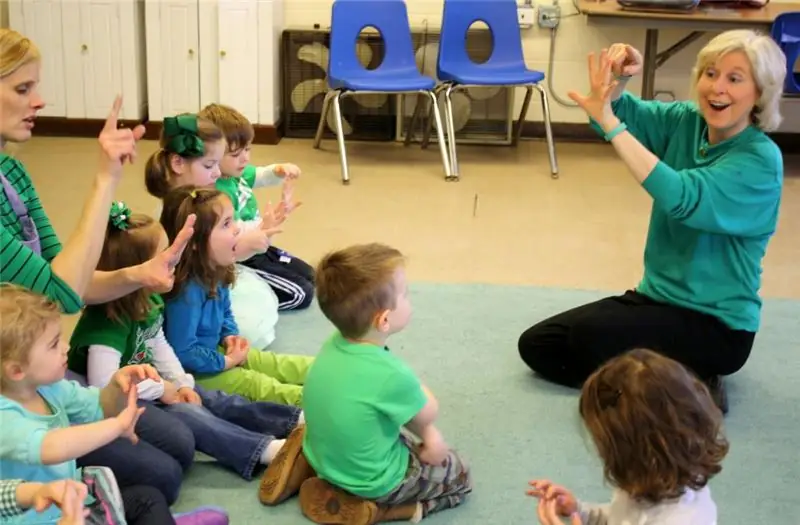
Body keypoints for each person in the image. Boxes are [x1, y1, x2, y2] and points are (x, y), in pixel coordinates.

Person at [517, 29, 787, 414]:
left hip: (716, 325)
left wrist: (612, 125)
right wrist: (620, 80)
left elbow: (680, 196)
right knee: (539, 345)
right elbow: (623, 116)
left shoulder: (760, 161)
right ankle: (671, 382)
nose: (717, 88)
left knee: (591, 338)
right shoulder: (686, 121)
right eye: (710, 73)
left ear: (760, 92)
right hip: (656, 299)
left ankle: (689, 379)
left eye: (734, 78)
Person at [0, 28, 198, 504]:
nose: (40, 101)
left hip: (34, 362)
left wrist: (136, 275)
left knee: (179, 446)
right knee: (162, 477)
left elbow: (62, 275)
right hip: (13, 378)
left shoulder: (13, 173)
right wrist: (104, 179)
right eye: (23, 89)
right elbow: (63, 294)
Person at [67, 203, 305, 482]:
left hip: (151, 385)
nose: (175, 261)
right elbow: (105, 387)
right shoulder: (107, 321)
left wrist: (181, 383)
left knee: (217, 400)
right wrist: (163, 389)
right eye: (165, 256)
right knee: (194, 418)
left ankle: (294, 421)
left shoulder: (148, 297)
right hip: (118, 403)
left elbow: (159, 343)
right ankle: (267, 451)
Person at [259, 243, 472, 524]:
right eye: (405, 295)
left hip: (325, 457)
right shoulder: (390, 374)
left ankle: (310, 465)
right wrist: (433, 439)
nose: (410, 300)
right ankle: (388, 510)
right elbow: (429, 411)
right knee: (461, 475)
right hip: (376, 482)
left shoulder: (333, 344)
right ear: (384, 320)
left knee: (377, 420)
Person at [0, 284, 229, 525]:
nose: (66, 347)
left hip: (72, 502)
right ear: (16, 370)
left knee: (147, 498)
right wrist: (117, 426)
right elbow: (51, 447)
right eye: (54, 344)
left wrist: (119, 388)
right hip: (44, 520)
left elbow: (100, 406)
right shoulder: (5, 417)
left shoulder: (49, 389)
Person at [144, 113, 296, 349]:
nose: (217, 173)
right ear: (177, 164)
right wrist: (243, 245)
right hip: (189, 298)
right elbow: (192, 270)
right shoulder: (176, 215)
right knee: (247, 326)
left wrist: (257, 231)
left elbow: (225, 245)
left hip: (212, 282)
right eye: (209, 165)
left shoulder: (203, 200)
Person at [527, 349, 728, 525]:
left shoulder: (681, 520)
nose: (600, 453)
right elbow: (619, 519)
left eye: (605, 447)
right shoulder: (648, 481)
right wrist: (578, 510)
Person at [159, 186, 314, 406]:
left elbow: (225, 312)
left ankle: (334, 370)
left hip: (214, 352)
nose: (236, 230)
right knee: (259, 385)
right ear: (194, 242)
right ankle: (327, 401)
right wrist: (225, 361)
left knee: (274, 363)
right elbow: (183, 351)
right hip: (195, 373)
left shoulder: (218, 267)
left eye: (233, 221)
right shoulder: (187, 291)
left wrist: (229, 335)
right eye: (226, 224)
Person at [199, 103, 315, 311]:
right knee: (302, 294)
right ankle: (254, 305)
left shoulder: (236, 173)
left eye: (248, 149)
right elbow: (232, 237)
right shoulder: (215, 192)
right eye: (235, 155)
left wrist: (278, 170)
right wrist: (264, 227)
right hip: (242, 258)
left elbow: (260, 175)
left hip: (260, 245)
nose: (245, 158)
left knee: (310, 274)